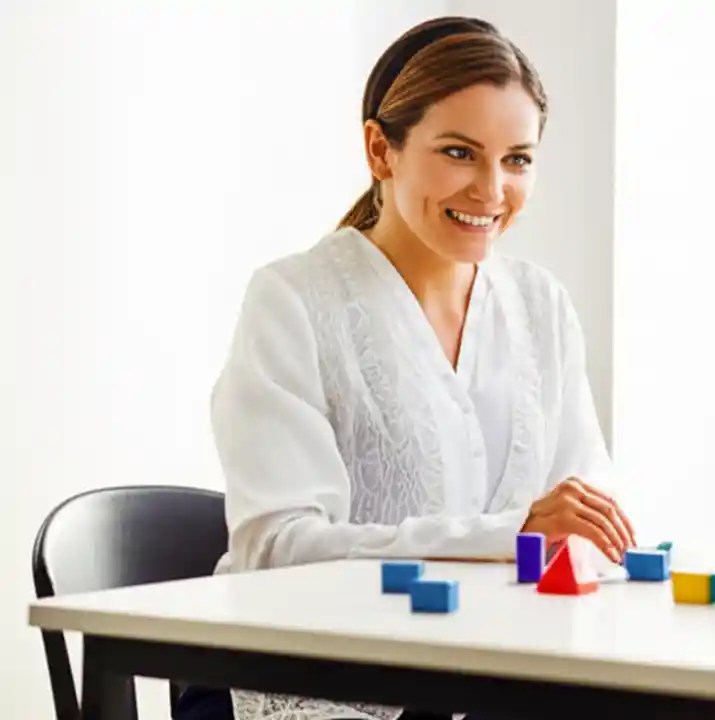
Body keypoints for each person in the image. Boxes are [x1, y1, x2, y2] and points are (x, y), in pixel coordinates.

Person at [185, 16, 637, 720]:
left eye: (518, 160)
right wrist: (509, 535)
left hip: (480, 687)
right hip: (310, 689)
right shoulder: (293, 300)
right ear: (380, 149)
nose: (491, 190)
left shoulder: (541, 306)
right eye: (460, 152)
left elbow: (585, 516)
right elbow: (276, 549)